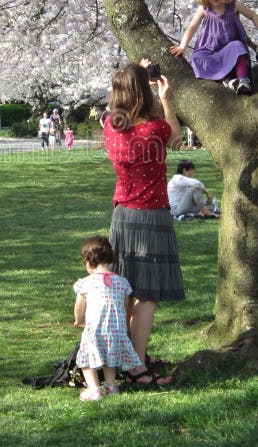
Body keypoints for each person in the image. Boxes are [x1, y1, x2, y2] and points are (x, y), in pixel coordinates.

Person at [104, 59, 184, 386]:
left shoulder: (111, 125)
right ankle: (137, 368)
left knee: (122, 290)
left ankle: (121, 360)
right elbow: (176, 136)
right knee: (146, 295)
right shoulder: (155, 130)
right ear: (143, 92)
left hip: (122, 215)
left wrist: (134, 71)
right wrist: (165, 98)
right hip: (151, 214)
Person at [169, 0, 258, 96]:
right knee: (197, 59)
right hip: (209, 50)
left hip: (229, 50)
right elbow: (192, 26)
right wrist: (182, 46)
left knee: (238, 46)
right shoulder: (204, 9)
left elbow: (254, 16)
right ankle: (227, 81)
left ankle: (243, 80)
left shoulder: (234, 5)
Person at [73, 235, 141, 401]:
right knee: (110, 358)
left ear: (88, 260)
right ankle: (111, 386)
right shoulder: (122, 282)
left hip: (95, 330)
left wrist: (78, 319)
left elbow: (80, 306)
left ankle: (94, 389)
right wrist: (124, 324)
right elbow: (126, 306)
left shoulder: (86, 283)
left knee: (85, 360)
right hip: (117, 330)